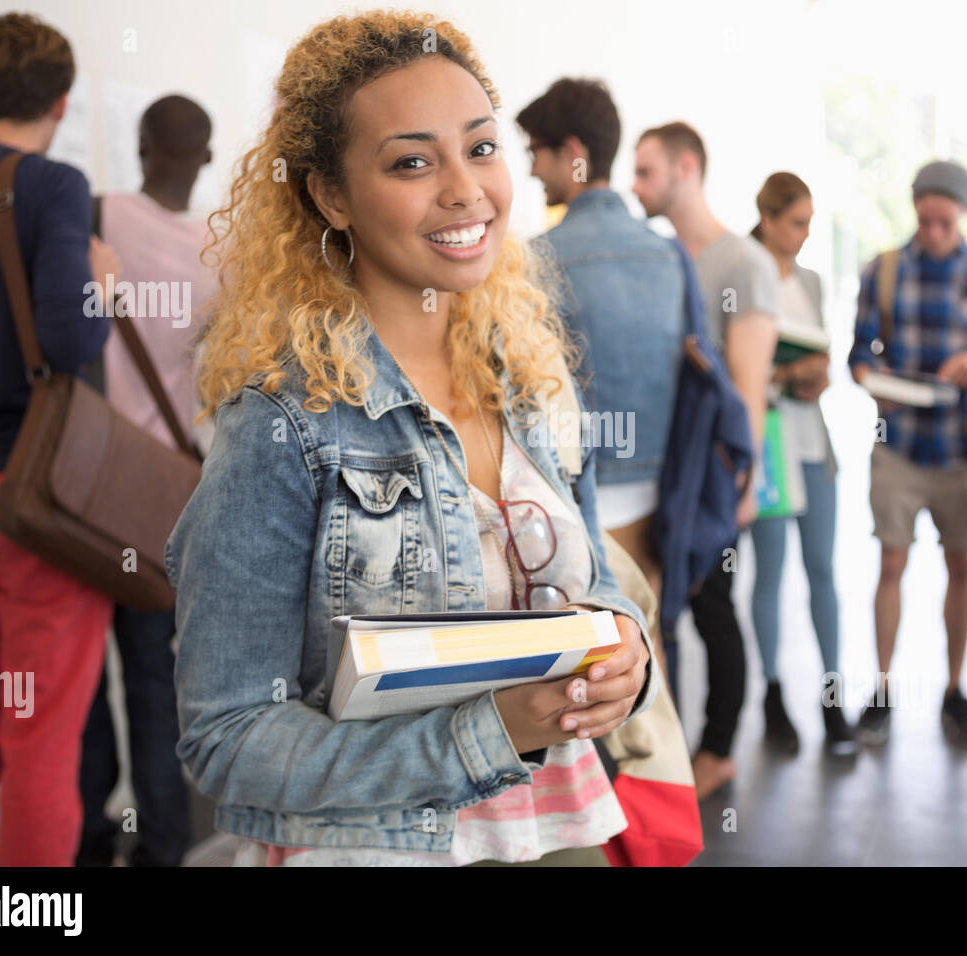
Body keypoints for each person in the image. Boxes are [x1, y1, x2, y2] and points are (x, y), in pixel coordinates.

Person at [167, 11, 656, 867]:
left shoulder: (531, 381)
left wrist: (627, 656)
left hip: (565, 833)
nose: (465, 190)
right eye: (412, 162)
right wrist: (484, 736)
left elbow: (602, 589)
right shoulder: (282, 424)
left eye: (480, 147)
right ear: (330, 195)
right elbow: (228, 736)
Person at [0, 12, 119, 866]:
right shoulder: (52, 187)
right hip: (35, 504)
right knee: (40, 746)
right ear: (62, 102)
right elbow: (70, 340)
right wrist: (102, 288)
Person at [77, 95, 216, 867]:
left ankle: (91, 839)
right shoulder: (221, 255)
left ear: (140, 146)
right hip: (167, 494)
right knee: (157, 681)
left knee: (81, 677)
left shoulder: (95, 218)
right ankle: (162, 844)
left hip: (87, 483)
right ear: (205, 156)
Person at [517, 77, 684, 683]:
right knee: (653, 644)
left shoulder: (537, 258)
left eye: (536, 151)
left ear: (572, 150)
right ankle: (668, 775)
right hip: (663, 486)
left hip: (583, 496)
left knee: (604, 665)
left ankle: (633, 779)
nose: (532, 169)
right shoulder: (666, 253)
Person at [632, 121, 778, 797]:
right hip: (666, 473)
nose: (637, 187)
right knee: (665, 618)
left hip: (717, 478)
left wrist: (743, 485)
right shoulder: (657, 258)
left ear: (686, 168)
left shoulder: (741, 264)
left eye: (647, 172)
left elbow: (749, 385)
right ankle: (668, 751)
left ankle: (718, 750)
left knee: (715, 609)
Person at [848, 159, 967, 749]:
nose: (936, 231)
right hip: (899, 448)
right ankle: (884, 687)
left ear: (962, 213)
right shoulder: (885, 270)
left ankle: (955, 689)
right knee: (891, 564)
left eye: (945, 221)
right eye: (925, 220)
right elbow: (859, 356)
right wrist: (873, 378)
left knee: (961, 566)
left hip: (964, 449)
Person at [748, 172, 855, 757]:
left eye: (811, 222)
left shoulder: (811, 280)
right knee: (769, 574)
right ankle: (772, 696)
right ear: (767, 218)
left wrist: (814, 375)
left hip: (813, 446)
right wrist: (786, 376)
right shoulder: (744, 275)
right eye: (796, 222)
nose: (805, 233)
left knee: (823, 571)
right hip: (768, 449)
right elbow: (736, 370)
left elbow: (823, 354)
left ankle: (832, 697)